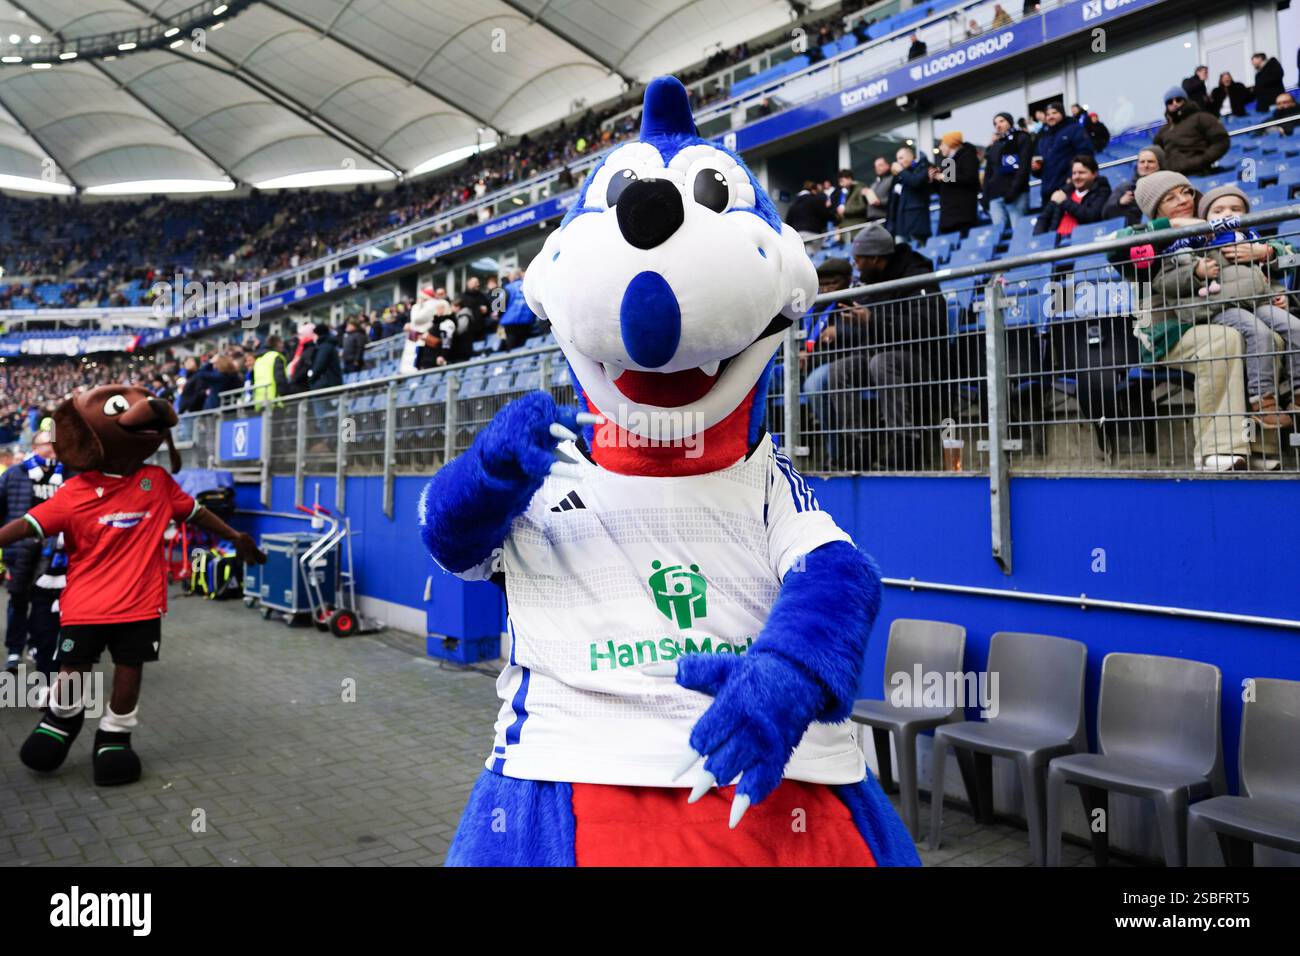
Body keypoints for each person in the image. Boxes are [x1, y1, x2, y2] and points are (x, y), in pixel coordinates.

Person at [2, 387, 263, 786]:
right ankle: (62, 719)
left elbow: (198, 512)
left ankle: (115, 734)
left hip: (140, 605)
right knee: (73, 669)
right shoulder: (74, 493)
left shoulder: (156, 482)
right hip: (84, 607)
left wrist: (236, 536)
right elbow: (24, 527)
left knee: (130, 669)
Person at [1106, 172, 1258, 471]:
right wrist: (1171, 226)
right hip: (1167, 332)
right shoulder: (1151, 242)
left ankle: (1260, 448)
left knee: (1267, 340)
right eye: (1170, 198)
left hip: (1217, 316)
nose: (1183, 201)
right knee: (1222, 341)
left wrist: (1270, 252)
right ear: (1155, 209)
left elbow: (1269, 246)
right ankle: (1217, 452)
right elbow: (1115, 246)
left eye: (1186, 193)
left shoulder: (1210, 227)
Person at [1157, 183, 1299, 426]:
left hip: (1257, 301)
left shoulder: (1254, 240)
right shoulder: (1198, 243)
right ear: (1205, 219)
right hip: (1221, 306)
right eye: (1218, 211)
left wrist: (1271, 268)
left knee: (1294, 326)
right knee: (1258, 332)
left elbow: (1273, 269)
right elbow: (1167, 278)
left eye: (1236, 209)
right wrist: (1197, 270)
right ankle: (1262, 400)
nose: (1227, 215)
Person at [827, 222, 947, 470]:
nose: (856, 267)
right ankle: (859, 446)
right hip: (877, 358)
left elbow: (929, 324)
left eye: (859, 260)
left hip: (920, 360)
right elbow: (871, 335)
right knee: (839, 370)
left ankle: (905, 445)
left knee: (882, 362)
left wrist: (872, 319)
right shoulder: (871, 281)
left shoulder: (917, 275)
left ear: (875, 259)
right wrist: (861, 323)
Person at [0, 430, 61, 673]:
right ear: (35, 447)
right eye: (49, 445)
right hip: (19, 551)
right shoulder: (15, 474)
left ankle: (38, 645)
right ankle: (15, 650)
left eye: (56, 445)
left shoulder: (65, 474)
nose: (53, 450)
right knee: (18, 601)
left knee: (43, 605)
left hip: (52, 553)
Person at [800, 258, 853, 464]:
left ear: (847, 281)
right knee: (765, 381)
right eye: (823, 284)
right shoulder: (812, 308)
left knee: (814, 384)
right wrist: (800, 352)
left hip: (835, 363)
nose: (827, 289)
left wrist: (840, 331)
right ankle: (768, 449)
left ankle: (836, 454)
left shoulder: (849, 301)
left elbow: (861, 334)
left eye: (833, 283)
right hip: (807, 363)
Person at [1152, 87, 1229, 175]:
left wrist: (1204, 160)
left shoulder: (1202, 118)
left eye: (1178, 99)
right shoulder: (1163, 130)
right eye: (1170, 102)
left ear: (1185, 100)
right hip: (1175, 177)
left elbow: (1221, 140)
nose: (1175, 103)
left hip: (1201, 173)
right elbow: (1155, 154)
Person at [1034, 155, 1112, 236]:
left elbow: (1092, 216)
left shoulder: (1102, 191)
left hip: (1084, 241)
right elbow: (1043, 218)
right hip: (1057, 242)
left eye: (1081, 173)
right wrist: (1040, 240)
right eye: (1074, 173)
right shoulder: (1065, 191)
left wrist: (1065, 202)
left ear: (1094, 174)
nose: (1076, 177)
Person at [983, 111, 1034, 232]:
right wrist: (986, 195)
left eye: (1001, 121)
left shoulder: (1021, 138)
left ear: (1010, 122)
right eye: (995, 123)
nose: (998, 125)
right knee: (997, 235)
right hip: (995, 196)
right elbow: (988, 173)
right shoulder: (995, 145)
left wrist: (1014, 190)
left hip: (1016, 194)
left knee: (1018, 232)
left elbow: (1024, 167)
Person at [1034, 102, 1093, 206]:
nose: (1050, 116)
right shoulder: (1042, 137)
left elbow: (1085, 154)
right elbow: (1038, 165)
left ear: (1062, 113)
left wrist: (1072, 177)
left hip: (1070, 187)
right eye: (1047, 114)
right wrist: (1035, 169)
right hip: (1048, 191)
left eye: (1054, 113)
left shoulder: (1074, 129)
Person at [929, 131, 981, 234]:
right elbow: (944, 190)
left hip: (963, 216)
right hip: (948, 217)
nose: (940, 148)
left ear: (950, 144)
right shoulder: (949, 162)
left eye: (942, 144)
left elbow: (969, 178)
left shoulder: (968, 156)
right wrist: (933, 180)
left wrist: (945, 177)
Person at [1102, 145, 1164, 227]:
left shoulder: (1170, 183)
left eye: (1150, 161)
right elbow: (1105, 213)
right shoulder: (1126, 188)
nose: (1146, 165)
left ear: (1160, 164)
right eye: (1142, 162)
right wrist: (1119, 203)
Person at [887, 145, 933, 244]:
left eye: (901, 158)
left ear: (911, 157)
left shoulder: (922, 168)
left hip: (917, 225)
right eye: (897, 159)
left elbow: (915, 182)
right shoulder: (900, 177)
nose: (898, 162)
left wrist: (901, 171)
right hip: (901, 228)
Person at [497, 271, 538, 350]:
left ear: (511, 277)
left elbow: (499, 306)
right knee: (524, 348)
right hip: (527, 322)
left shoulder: (507, 288)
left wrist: (499, 316)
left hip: (511, 324)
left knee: (512, 348)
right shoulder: (528, 287)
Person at [785, 180, 832, 248]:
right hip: (812, 234)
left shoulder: (794, 204)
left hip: (797, 235)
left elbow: (788, 221)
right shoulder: (815, 200)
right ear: (813, 190)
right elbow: (825, 215)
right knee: (814, 257)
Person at [251, 335, 288, 408]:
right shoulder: (276, 356)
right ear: (278, 343)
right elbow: (280, 379)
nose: (283, 345)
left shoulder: (259, 359)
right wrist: (286, 396)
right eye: (281, 343)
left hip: (259, 401)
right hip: (275, 401)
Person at [858, 158, 893, 225]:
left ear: (887, 165)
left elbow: (895, 198)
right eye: (876, 166)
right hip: (872, 220)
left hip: (884, 219)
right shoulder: (874, 183)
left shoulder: (892, 180)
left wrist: (880, 202)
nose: (877, 168)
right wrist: (864, 195)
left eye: (880, 165)